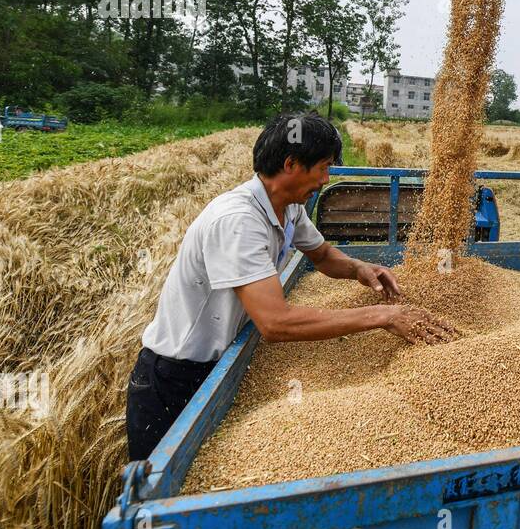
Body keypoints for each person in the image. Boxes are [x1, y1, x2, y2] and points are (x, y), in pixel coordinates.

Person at [125, 111, 451, 460]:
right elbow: (275, 323)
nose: (326, 179)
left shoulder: (289, 208)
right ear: (291, 164)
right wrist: (382, 316)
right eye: (323, 167)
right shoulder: (238, 221)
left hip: (219, 367)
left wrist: (361, 269)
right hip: (176, 379)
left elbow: (322, 255)